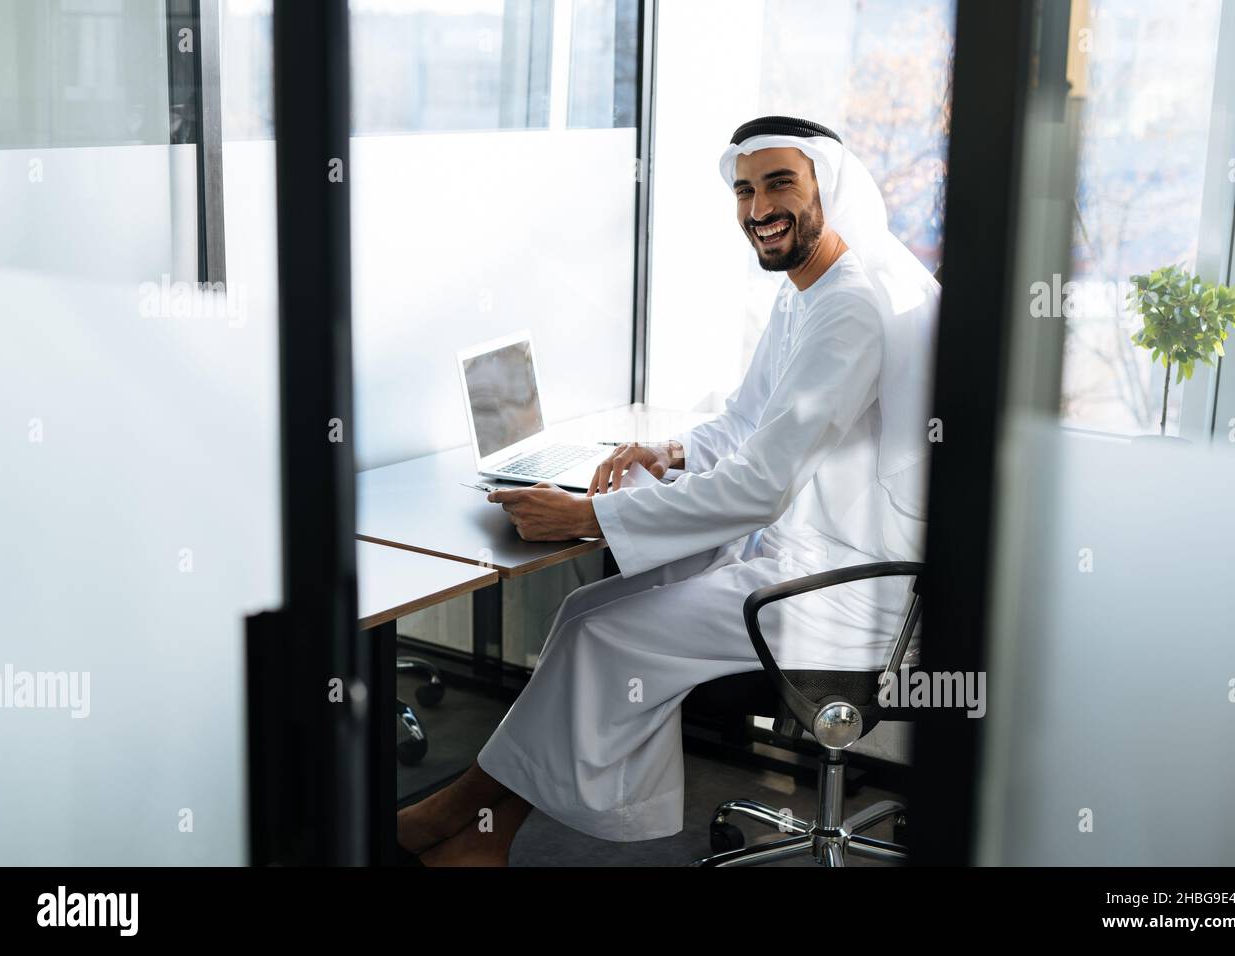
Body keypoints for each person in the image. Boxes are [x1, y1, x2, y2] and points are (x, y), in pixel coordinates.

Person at [397, 115, 939, 865]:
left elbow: (758, 485)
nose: (758, 209)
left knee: (601, 633)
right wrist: (669, 448)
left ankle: (460, 823)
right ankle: (477, 830)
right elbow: (747, 422)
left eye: (779, 183)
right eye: (744, 190)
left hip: (853, 591)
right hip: (803, 555)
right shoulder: (808, 291)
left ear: (829, 186)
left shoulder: (850, 305)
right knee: (587, 609)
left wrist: (590, 515)